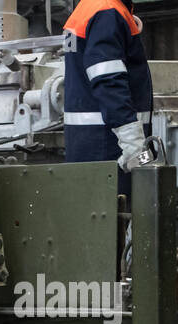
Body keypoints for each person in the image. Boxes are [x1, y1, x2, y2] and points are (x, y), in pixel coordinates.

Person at [62, 0, 157, 190]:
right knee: (116, 214)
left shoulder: (91, 8)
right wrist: (132, 142)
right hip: (109, 145)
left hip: (89, 145)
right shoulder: (107, 12)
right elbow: (107, 79)